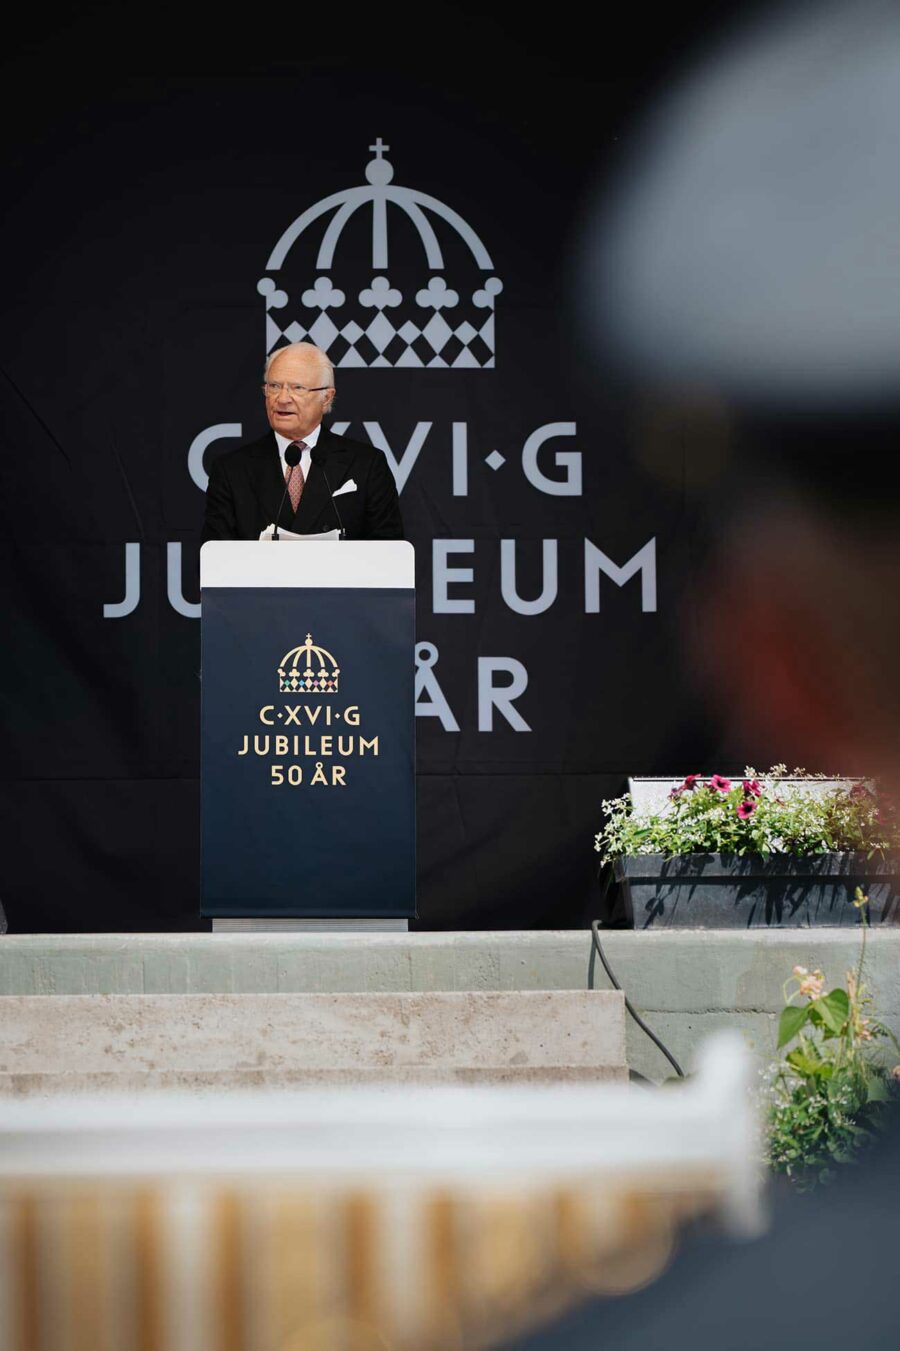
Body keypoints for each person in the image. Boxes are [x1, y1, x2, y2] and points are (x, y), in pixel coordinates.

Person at [201, 341, 403, 541]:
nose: (282, 399)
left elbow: (389, 554)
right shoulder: (231, 470)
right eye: (274, 386)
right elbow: (215, 562)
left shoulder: (366, 465)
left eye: (297, 388)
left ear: (326, 397)